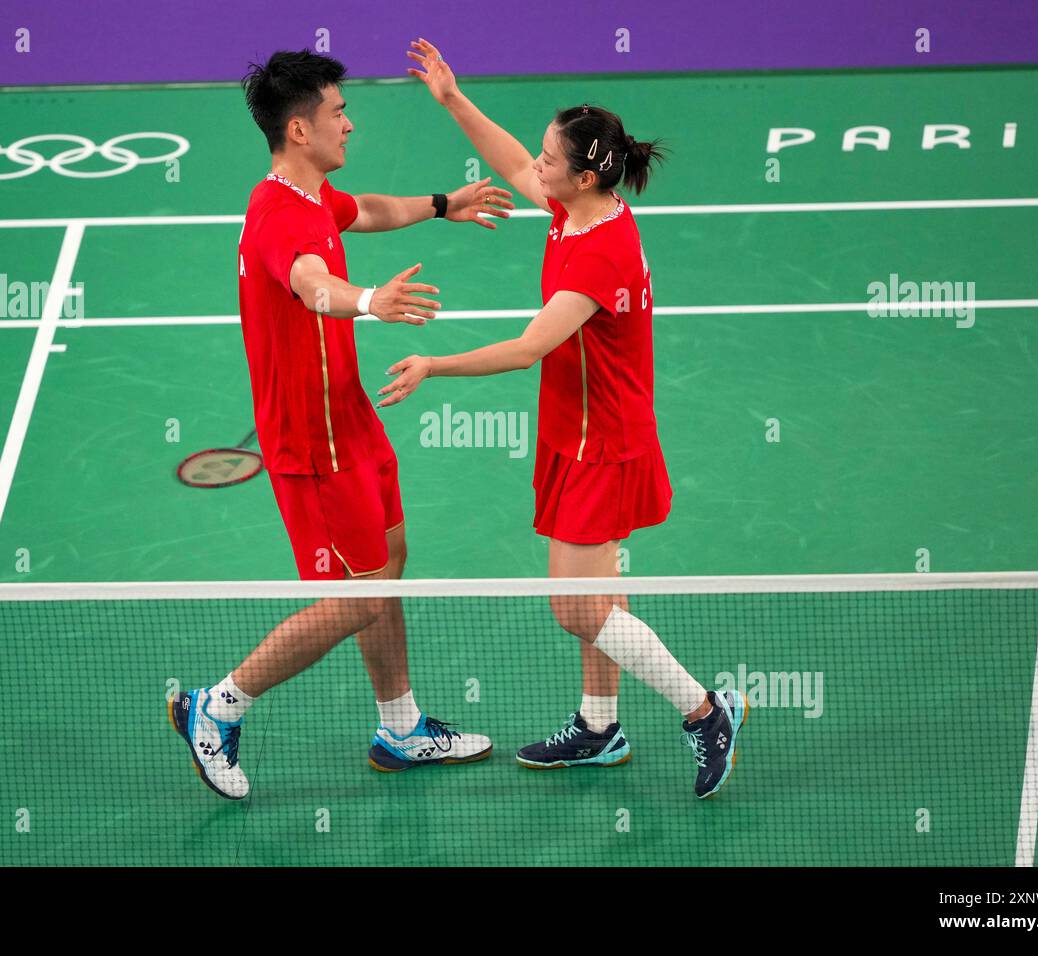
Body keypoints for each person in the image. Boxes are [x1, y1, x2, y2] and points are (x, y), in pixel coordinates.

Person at [381, 38, 747, 798]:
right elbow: (513, 161)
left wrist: (432, 365)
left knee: (574, 606)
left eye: (552, 160)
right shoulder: (582, 206)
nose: (534, 168)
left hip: (603, 445)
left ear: (583, 175)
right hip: (577, 430)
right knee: (601, 599)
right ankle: (599, 726)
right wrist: (452, 98)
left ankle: (705, 711)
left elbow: (526, 350)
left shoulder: (597, 254)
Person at [170, 49, 514, 799]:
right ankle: (217, 705)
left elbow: (371, 211)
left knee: (391, 557)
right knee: (358, 596)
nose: (349, 124)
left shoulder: (315, 196)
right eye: (337, 113)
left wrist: (444, 203)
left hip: (349, 419)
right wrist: (368, 303)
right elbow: (311, 284)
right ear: (299, 129)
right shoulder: (274, 216)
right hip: (308, 444)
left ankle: (400, 728)